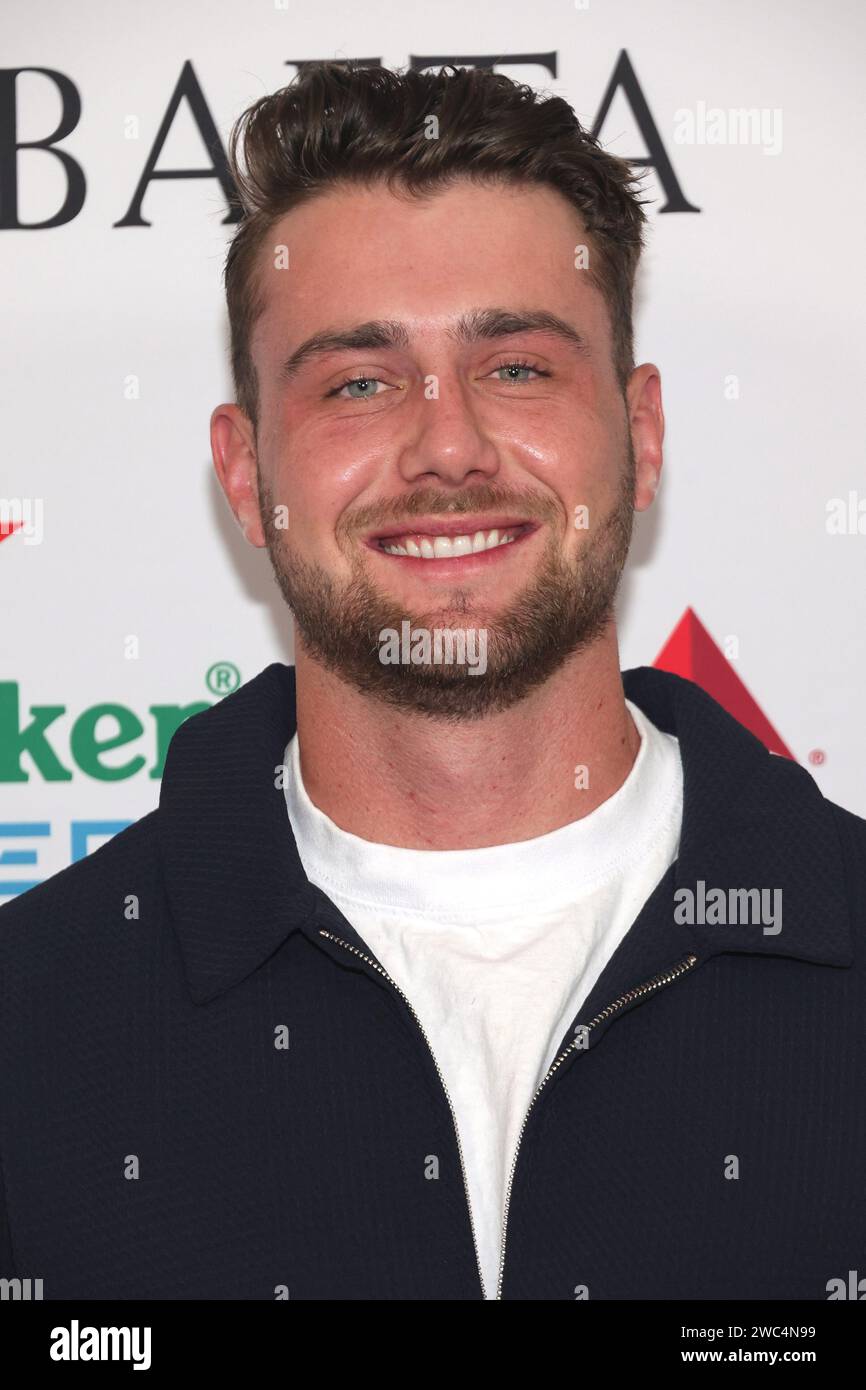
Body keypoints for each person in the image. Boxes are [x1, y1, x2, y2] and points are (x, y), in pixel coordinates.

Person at [1, 61, 864, 1302]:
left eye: (514, 366)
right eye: (357, 381)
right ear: (245, 477)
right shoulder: (32, 1019)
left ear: (642, 434)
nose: (447, 444)